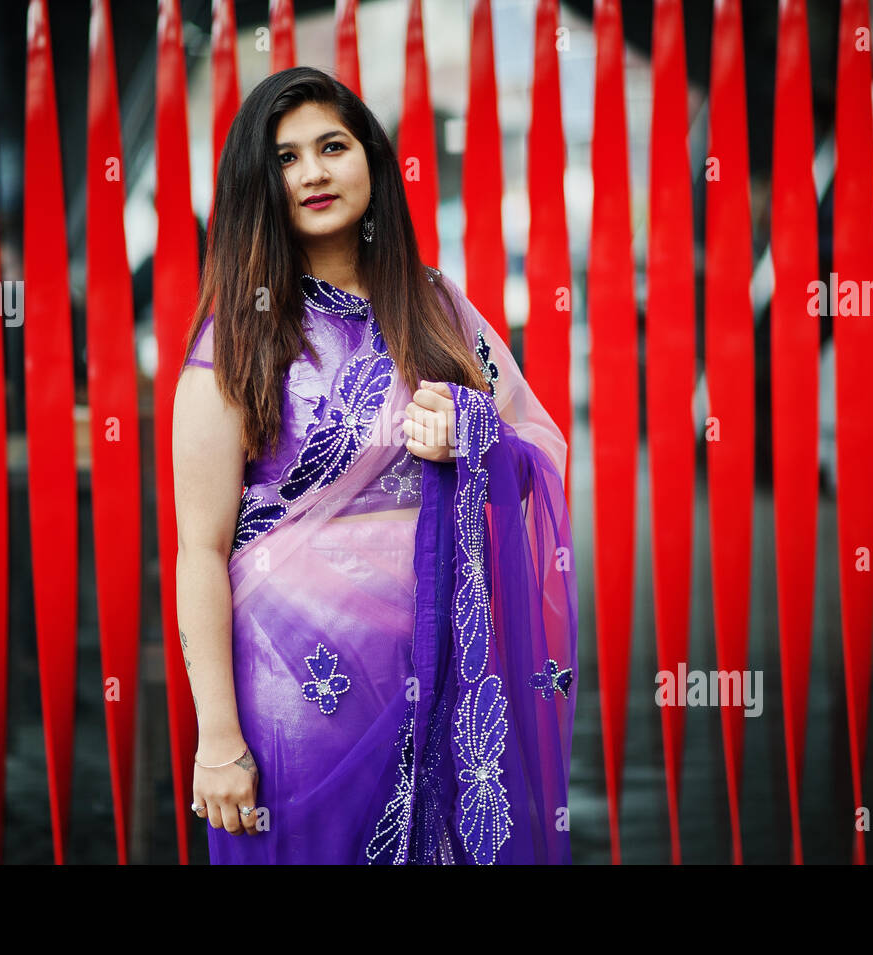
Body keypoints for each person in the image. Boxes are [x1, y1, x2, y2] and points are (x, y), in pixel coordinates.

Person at [171, 66, 578, 864]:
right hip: (296, 694)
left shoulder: (434, 306)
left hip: (436, 673)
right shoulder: (239, 336)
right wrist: (217, 734)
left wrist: (472, 430)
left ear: (372, 161)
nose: (315, 172)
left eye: (333, 145)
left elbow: (538, 451)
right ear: (259, 184)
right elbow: (201, 548)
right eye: (286, 158)